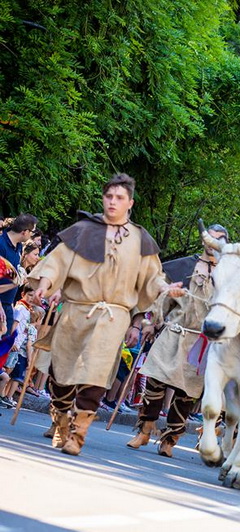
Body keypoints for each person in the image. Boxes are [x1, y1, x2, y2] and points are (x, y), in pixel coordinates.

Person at [28, 173, 183, 456]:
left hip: (113, 316)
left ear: (130, 203)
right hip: (77, 310)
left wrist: (166, 288)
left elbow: (152, 277)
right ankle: (61, 416)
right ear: (103, 199)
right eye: (109, 196)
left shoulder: (140, 239)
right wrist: (46, 285)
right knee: (61, 372)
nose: (113, 202)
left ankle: (78, 434)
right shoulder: (84, 229)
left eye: (119, 198)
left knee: (97, 373)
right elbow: (56, 262)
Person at [126, 223, 229, 457]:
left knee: (187, 394)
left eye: (219, 239)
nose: (213, 243)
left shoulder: (227, 274)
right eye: (210, 238)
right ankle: (145, 428)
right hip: (174, 331)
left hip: (201, 341)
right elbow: (164, 297)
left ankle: (170, 440)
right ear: (204, 240)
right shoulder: (186, 265)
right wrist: (152, 322)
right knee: (154, 380)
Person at [0, 214, 38, 332]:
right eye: (32, 232)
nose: (32, 235)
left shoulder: (19, 247)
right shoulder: (1, 245)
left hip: (9, 305)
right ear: (24, 231)